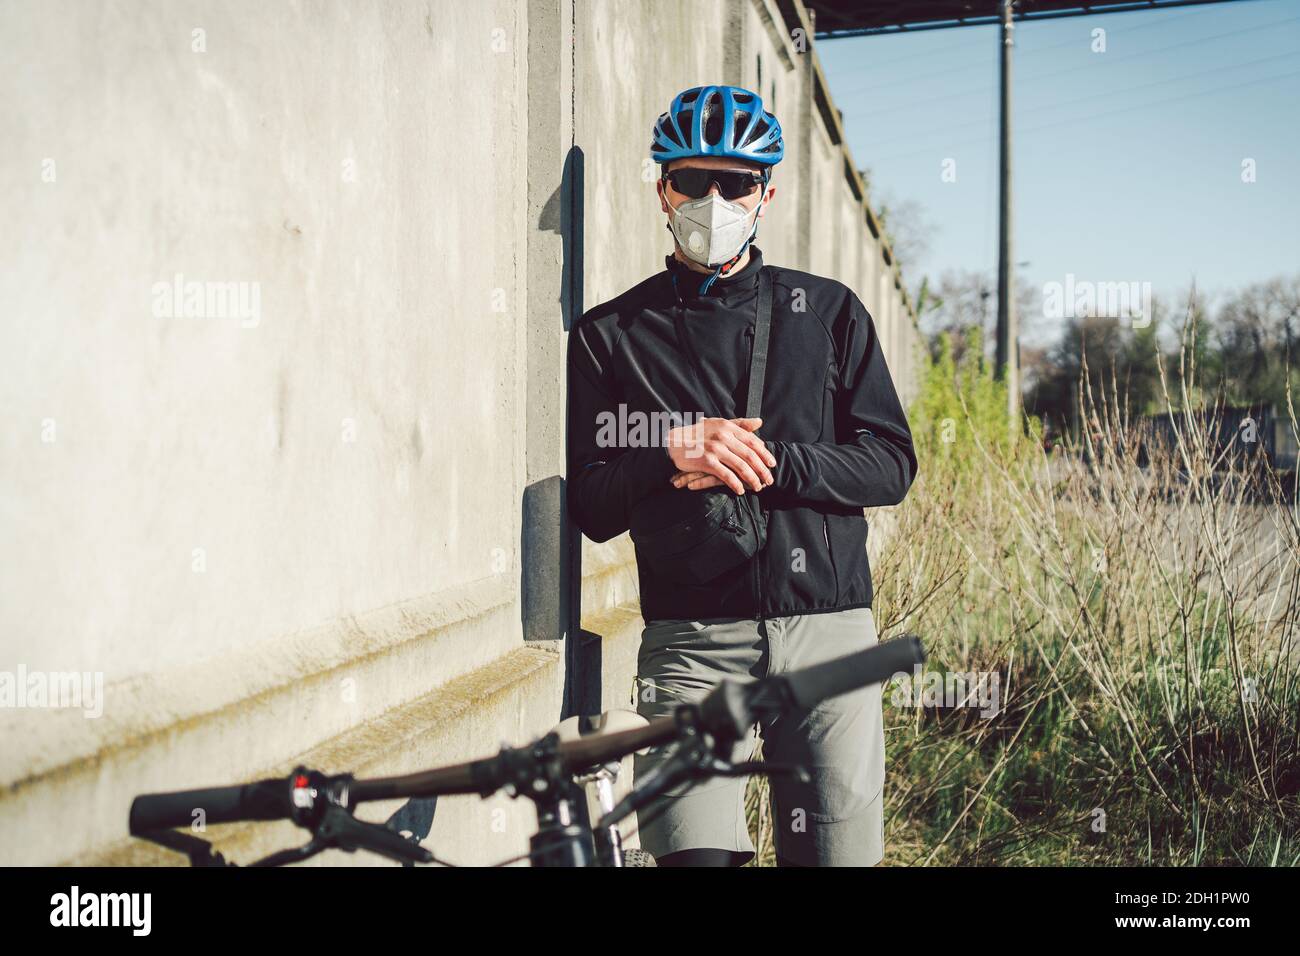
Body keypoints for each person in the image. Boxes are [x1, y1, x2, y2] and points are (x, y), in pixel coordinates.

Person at [565, 85, 917, 866]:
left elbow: (892, 463)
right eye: (694, 179)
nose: (714, 199)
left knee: (836, 857)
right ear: (663, 187)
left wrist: (774, 463)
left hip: (826, 629)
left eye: (737, 183)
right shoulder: (609, 335)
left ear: (768, 193)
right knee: (692, 857)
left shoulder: (829, 313)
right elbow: (590, 503)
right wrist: (668, 454)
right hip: (691, 642)